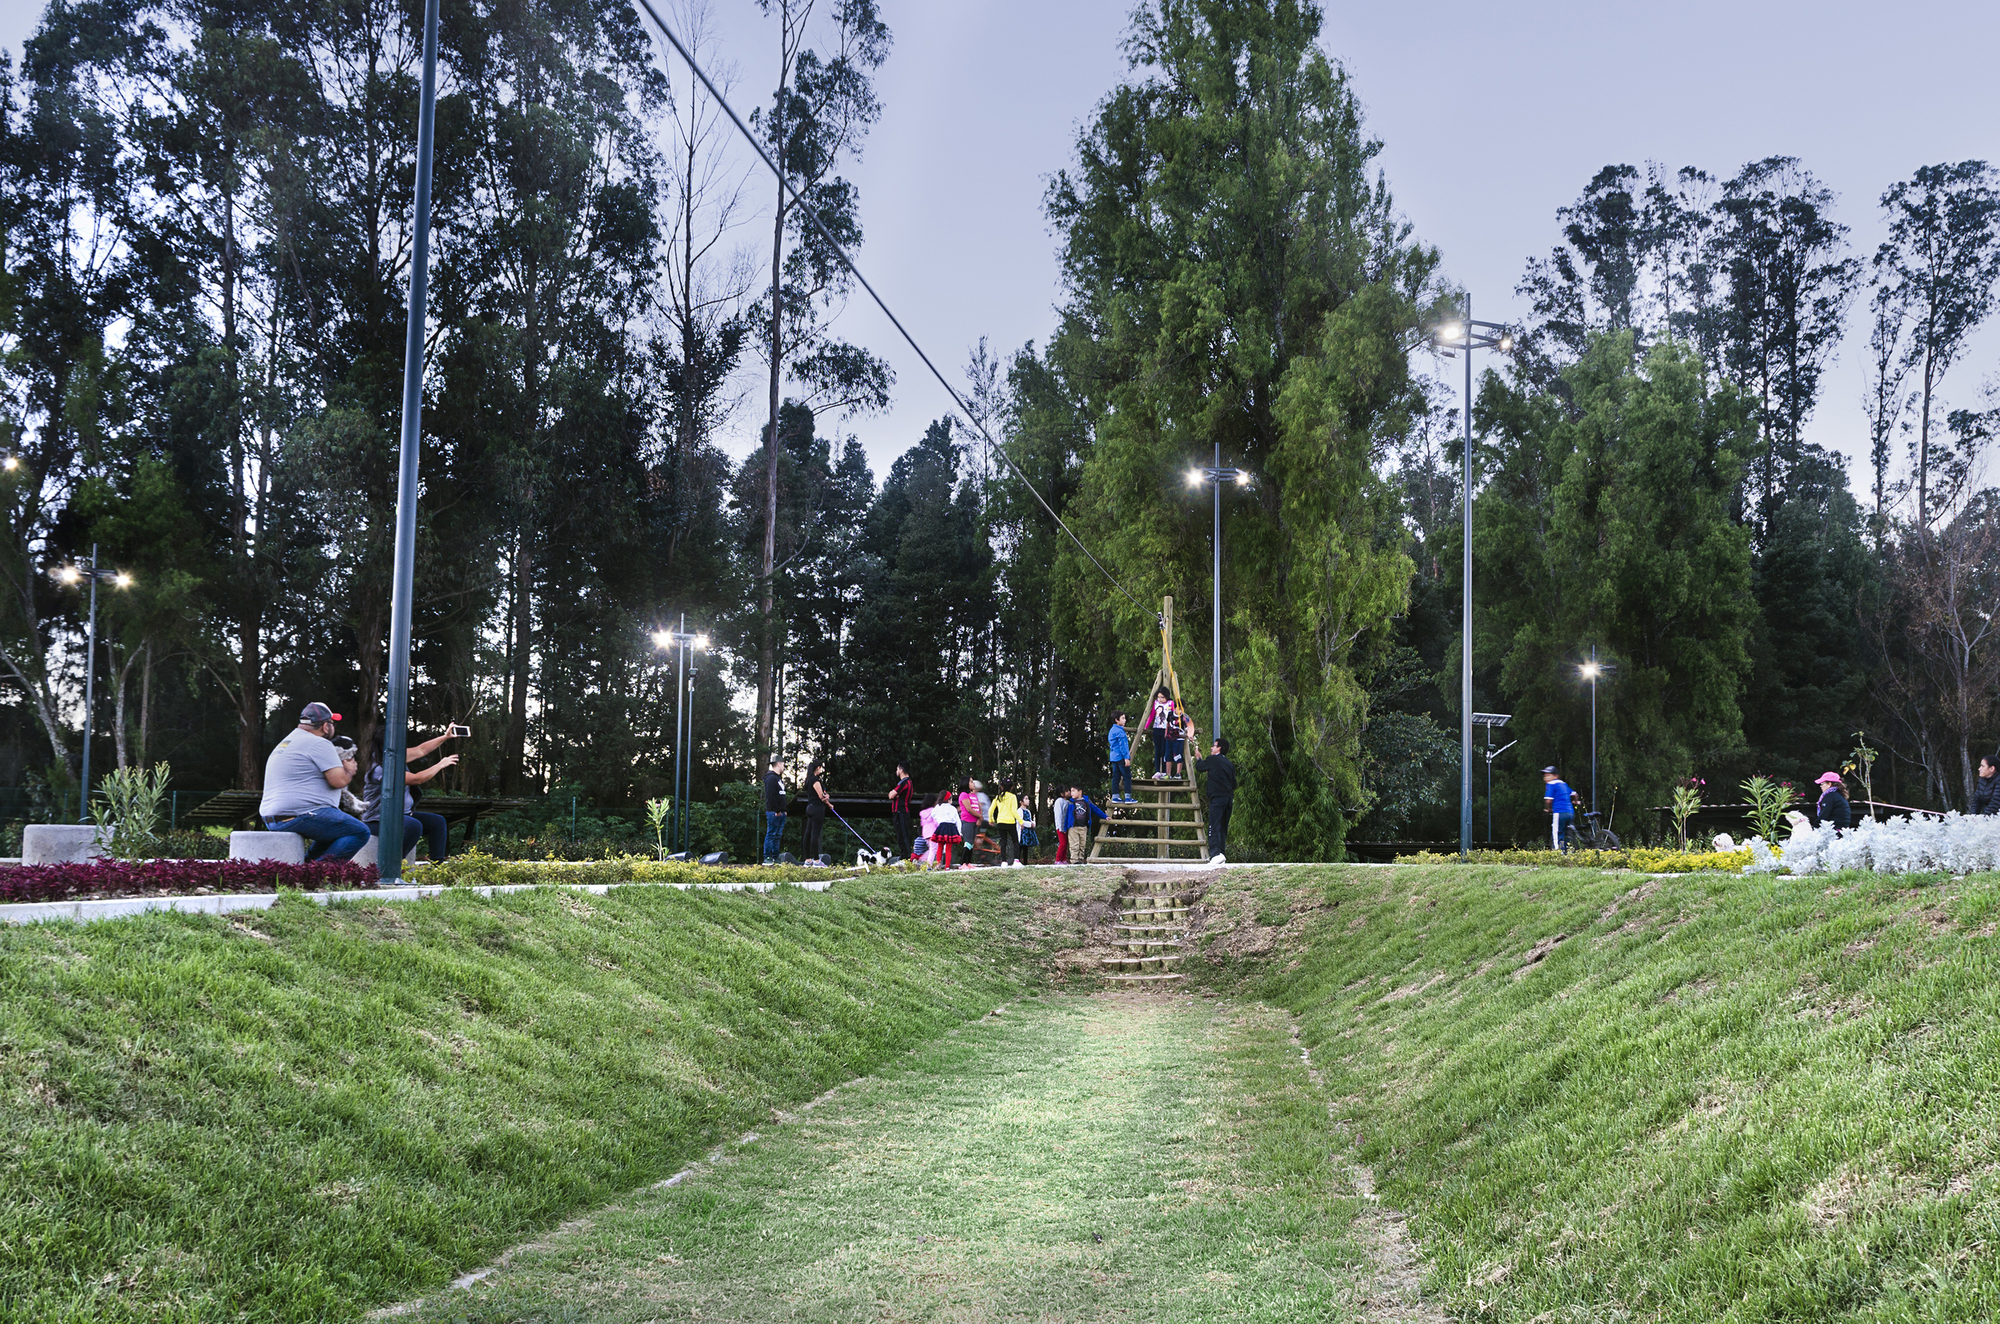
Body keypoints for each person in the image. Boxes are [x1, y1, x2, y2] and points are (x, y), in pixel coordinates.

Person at [259, 702, 370, 862]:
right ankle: (318, 873)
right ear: (325, 726)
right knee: (359, 832)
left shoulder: (288, 741)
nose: (333, 727)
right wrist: (350, 769)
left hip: (274, 816)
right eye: (332, 723)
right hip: (301, 814)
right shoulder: (319, 743)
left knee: (332, 834)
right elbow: (338, 781)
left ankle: (307, 869)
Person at [360, 727, 462, 864]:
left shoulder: (395, 757)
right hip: (378, 820)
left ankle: (438, 866)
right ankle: (391, 864)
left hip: (401, 815)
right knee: (414, 826)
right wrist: (440, 765)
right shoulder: (380, 768)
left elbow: (421, 750)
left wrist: (445, 737)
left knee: (437, 822)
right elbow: (416, 779)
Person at [1194, 734, 1236, 863]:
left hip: (1217, 798)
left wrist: (1198, 758)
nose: (1212, 748)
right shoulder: (1229, 764)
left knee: (1214, 825)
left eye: (1214, 745)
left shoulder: (1212, 760)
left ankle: (1216, 853)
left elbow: (1200, 767)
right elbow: (1234, 783)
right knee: (1223, 826)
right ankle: (1221, 853)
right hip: (1228, 798)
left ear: (1219, 748)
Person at [802, 758, 832, 864]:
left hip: (810, 807)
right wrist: (829, 803)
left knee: (808, 834)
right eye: (821, 768)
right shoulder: (815, 780)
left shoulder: (808, 779)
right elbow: (821, 796)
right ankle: (817, 860)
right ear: (818, 768)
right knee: (815, 835)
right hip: (817, 808)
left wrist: (825, 797)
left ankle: (808, 859)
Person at [1542, 766, 1577, 852]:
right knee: (1566, 834)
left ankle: (1559, 853)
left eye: (1548, 775)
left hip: (1559, 812)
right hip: (1570, 813)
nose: (1546, 778)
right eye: (1545, 776)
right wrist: (1575, 802)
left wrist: (1548, 809)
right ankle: (1566, 850)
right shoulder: (1563, 784)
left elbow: (1548, 800)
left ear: (1555, 776)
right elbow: (1575, 794)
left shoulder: (1551, 784)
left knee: (1557, 834)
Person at [762, 758, 788, 864]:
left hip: (781, 812)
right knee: (771, 834)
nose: (783, 766)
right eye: (783, 764)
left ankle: (775, 857)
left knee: (777, 836)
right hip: (774, 812)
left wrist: (784, 810)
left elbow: (781, 796)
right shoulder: (771, 778)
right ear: (778, 764)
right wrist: (777, 810)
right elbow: (771, 796)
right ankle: (767, 857)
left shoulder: (778, 778)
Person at [1146, 687, 1175, 778]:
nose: (1160, 699)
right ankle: (1158, 770)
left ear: (1166, 697)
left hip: (1166, 729)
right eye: (1158, 697)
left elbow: (1174, 715)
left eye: (1162, 697)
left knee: (1164, 750)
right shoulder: (1156, 703)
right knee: (1157, 750)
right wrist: (1146, 726)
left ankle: (1164, 771)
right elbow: (1152, 715)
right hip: (1157, 728)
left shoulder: (1170, 703)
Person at [888, 764, 915, 859]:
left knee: (903, 834)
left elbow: (891, 795)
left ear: (901, 770)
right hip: (901, 811)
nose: (896, 771)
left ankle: (906, 856)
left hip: (901, 811)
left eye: (897, 769)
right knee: (901, 834)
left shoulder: (904, 782)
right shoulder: (907, 782)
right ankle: (905, 855)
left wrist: (894, 794)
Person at [930, 790, 963, 868]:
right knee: (948, 848)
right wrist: (959, 832)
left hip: (942, 827)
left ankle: (938, 864)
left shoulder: (938, 807)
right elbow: (958, 821)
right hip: (951, 828)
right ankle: (947, 866)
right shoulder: (953, 808)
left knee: (940, 847)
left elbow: (932, 815)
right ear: (949, 799)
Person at [992, 780, 1021, 865]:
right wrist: (1020, 821)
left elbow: (991, 810)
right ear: (1011, 788)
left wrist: (991, 819)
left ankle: (1003, 861)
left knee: (1003, 842)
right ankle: (1016, 860)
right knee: (1015, 841)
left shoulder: (998, 797)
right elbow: (1014, 811)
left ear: (1001, 787)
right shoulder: (1012, 797)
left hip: (1001, 821)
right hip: (1010, 822)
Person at [1107, 711, 1133, 803]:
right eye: (1123, 718)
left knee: (1116, 777)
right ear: (1117, 720)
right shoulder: (1120, 732)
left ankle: (1115, 796)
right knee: (1127, 776)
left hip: (1114, 757)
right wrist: (1126, 757)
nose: (1125, 720)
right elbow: (1123, 746)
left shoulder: (1112, 730)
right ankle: (1128, 797)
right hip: (1121, 757)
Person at [1053, 790, 1074, 864]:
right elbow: (1059, 815)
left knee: (1066, 843)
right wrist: (1061, 827)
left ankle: (1064, 859)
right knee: (1062, 843)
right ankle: (1058, 859)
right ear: (1062, 793)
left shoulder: (1068, 802)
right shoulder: (1059, 801)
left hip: (1066, 826)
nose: (1069, 792)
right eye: (1066, 791)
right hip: (1060, 826)